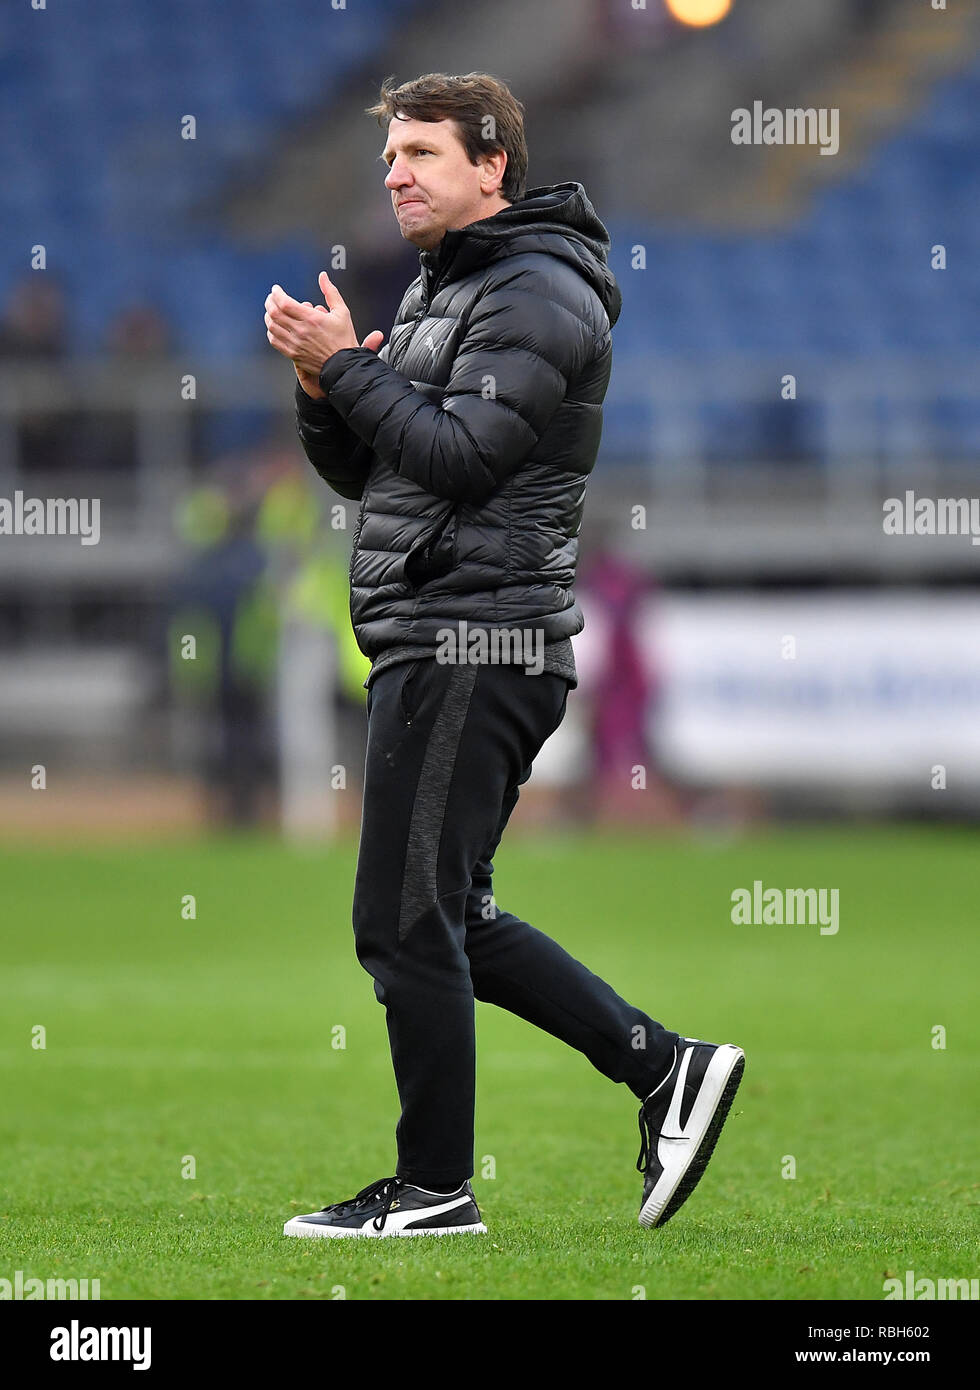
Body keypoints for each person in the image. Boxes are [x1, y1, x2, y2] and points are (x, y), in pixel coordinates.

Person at [264, 71, 744, 1239]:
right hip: (443, 628)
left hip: (470, 637)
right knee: (450, 913)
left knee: (402, 919)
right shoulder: (449, 285)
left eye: (421, 152)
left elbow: (464, 458)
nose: (395, 173)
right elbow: (382, 474)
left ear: (492, 166)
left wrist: (352, 370)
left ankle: (433, 1189)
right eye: (389, 156)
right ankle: (664, 1067)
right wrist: (323, 388)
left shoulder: (535, 287)